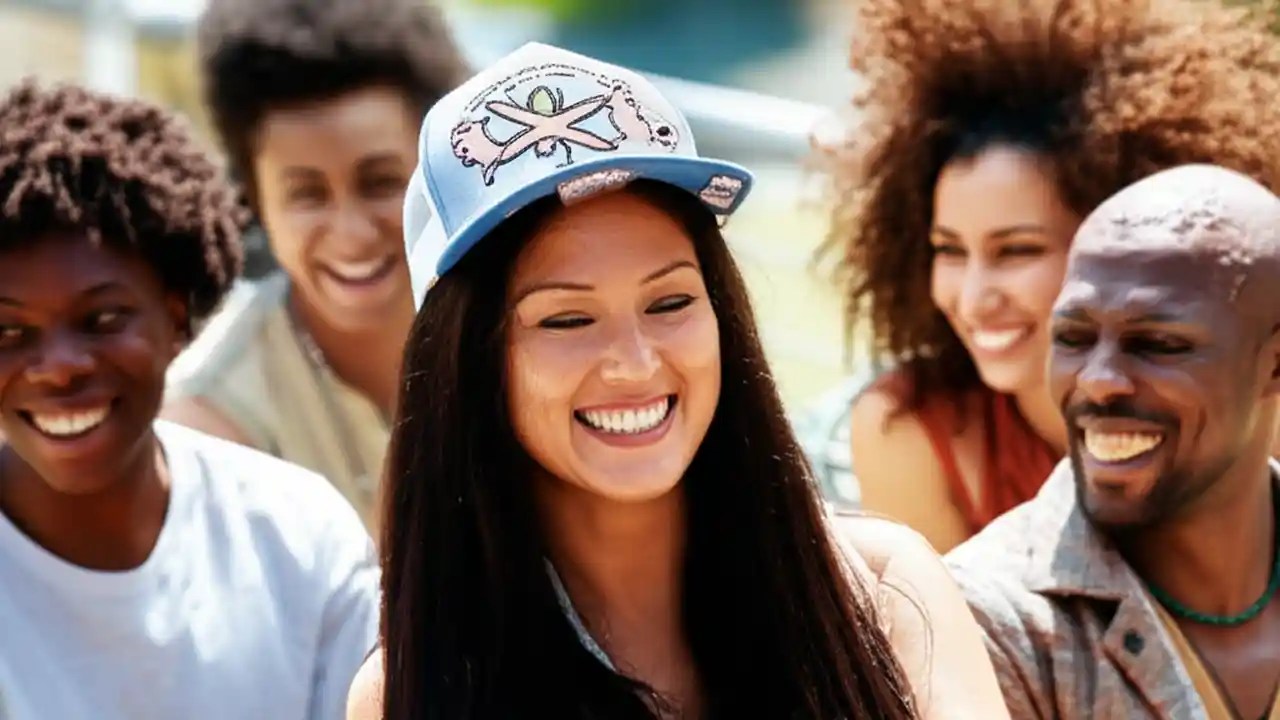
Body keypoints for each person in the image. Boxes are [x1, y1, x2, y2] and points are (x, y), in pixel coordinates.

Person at [345, 43, 1009, 719]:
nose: (635, 362)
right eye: (568, 319)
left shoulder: (889, 590)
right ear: (466, 364)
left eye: (670, 303)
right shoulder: (410, 692)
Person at [819, 0, 1280, 552]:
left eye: (1016, 251)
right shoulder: (909, 429)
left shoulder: (1252, 399)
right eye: (950, 250)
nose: (972, 298)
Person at [0, 80, 379, 720]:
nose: (59, 368)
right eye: (9, 332)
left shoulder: (299, 535)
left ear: (177, 320)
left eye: (102, 320)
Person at [946, 163, 1280, 719]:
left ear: (1273, 365)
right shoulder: (984, 624)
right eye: (1073, 339)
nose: (1097, 380)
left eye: (1157, 343)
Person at [163, 0, 470, 530]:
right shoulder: (209, 422)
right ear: (256, 201)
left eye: (380, 183)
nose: (349, 234)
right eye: (306, 195)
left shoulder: (524, 324)